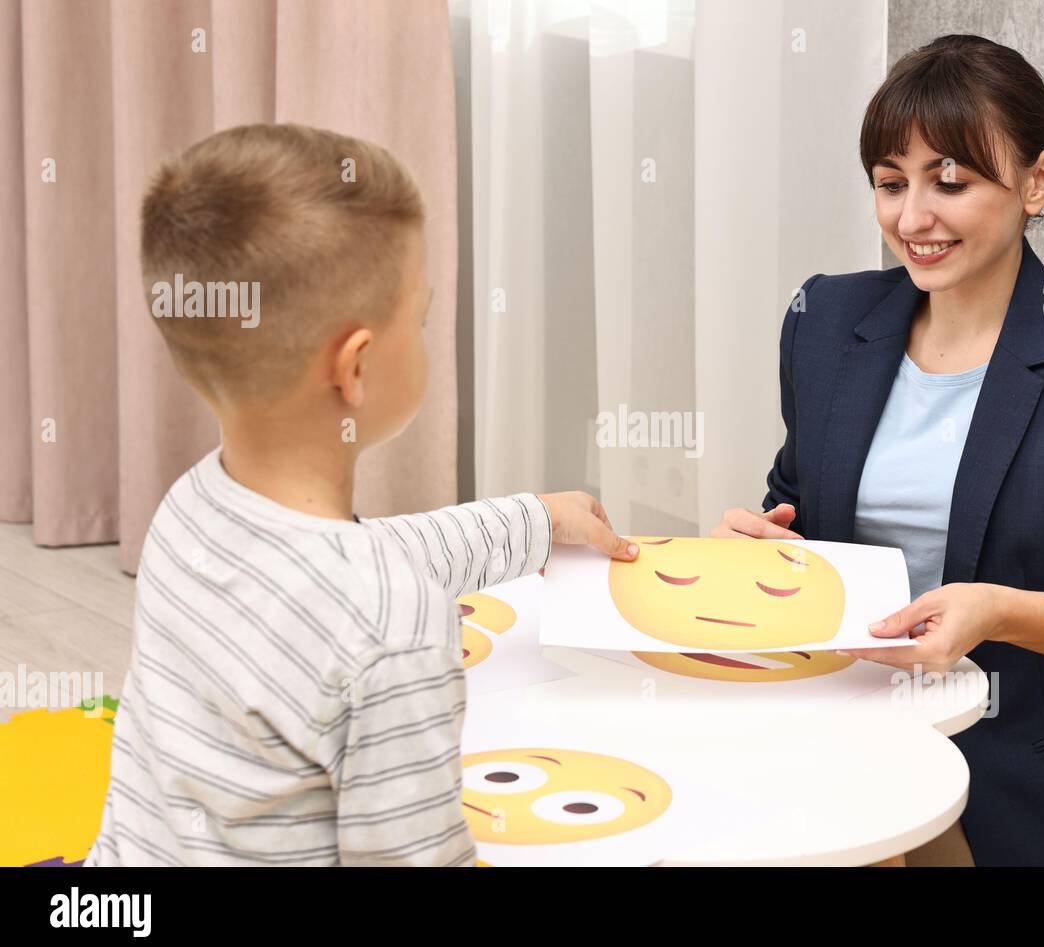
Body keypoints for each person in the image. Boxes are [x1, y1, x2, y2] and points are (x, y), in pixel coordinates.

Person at [712, 35, 1044, 866]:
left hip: (1031, 802)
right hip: (842, 778)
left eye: (949, 182)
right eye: (891, 184)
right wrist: (759, 554)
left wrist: (1001, 611)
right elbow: (799, 511)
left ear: (1039, 179)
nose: (912, 218)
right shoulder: (822, 323)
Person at [84, 123, 637, 866]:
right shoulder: (391, 619)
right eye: (422, 316)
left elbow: (366, 561)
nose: (429, 330)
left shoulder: (193, 505)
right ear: (358, 368)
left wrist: (533, 519)